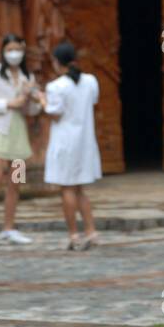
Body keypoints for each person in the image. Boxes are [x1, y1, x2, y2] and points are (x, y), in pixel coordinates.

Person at [0, 34, 43, 245]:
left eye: (19, 50)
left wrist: (32, 99)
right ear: (4, 50)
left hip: (19, 134)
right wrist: (9, 103)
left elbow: (31, 110)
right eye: (11, 49)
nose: (15, 54)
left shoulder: (27, 76)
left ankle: (9, 228)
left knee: (17, 181)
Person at [43, 41, 102, 250]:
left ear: (57, 63)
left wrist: (42, 100)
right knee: (80, 190)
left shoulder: (56, 86)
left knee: (67, 189)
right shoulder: (90, 81)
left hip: (65, 142)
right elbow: (92, 102)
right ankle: (91, 231)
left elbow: (55, 114)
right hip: (85, 141)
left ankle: (73, 234)